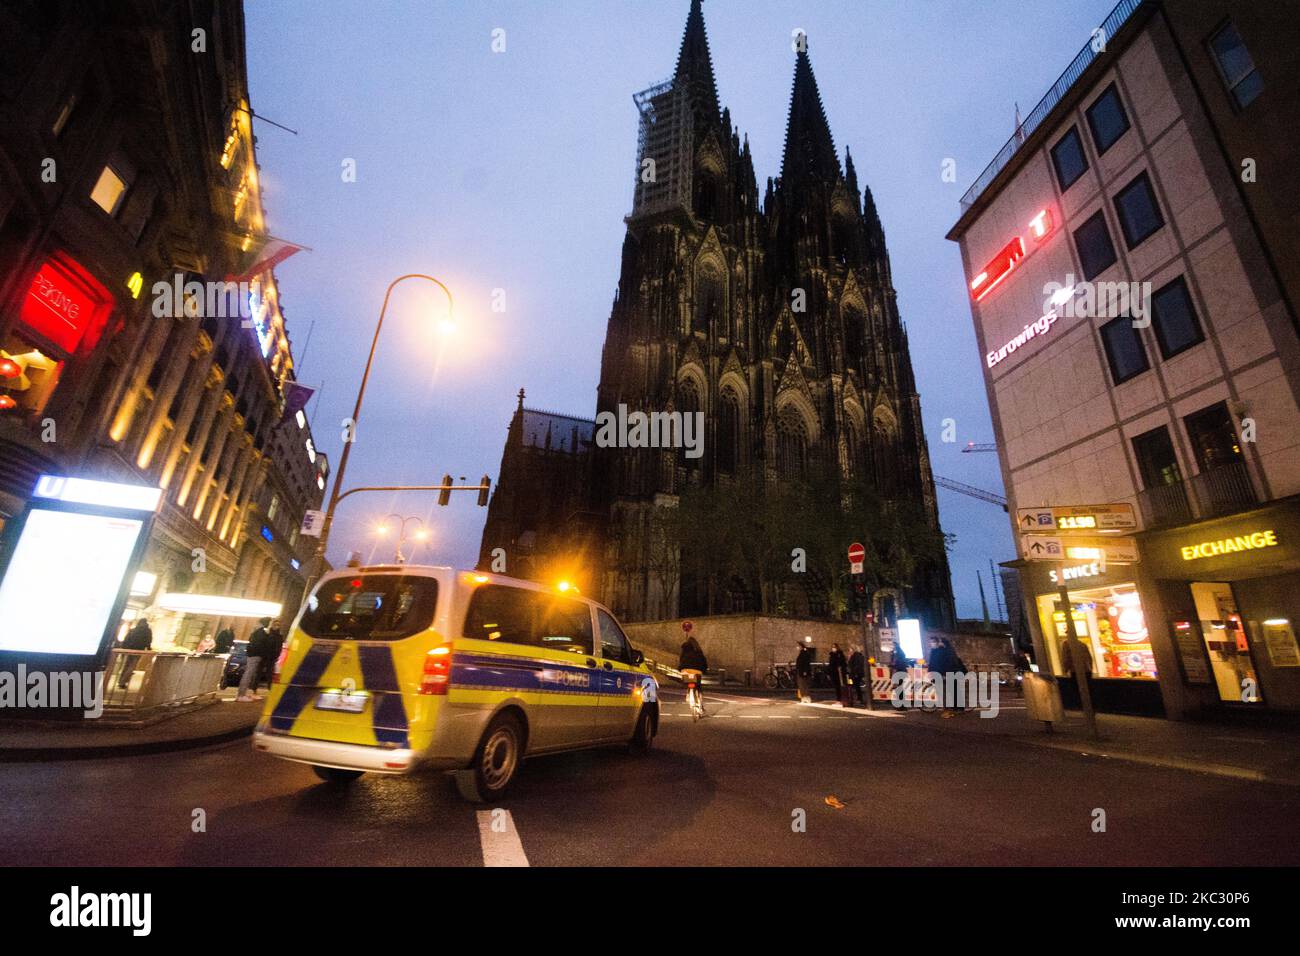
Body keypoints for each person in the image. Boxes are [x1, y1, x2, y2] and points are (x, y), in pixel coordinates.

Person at [238, 617, 273, 702]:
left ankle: (242, 694)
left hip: (253, 654)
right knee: (248, 674)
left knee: (249, 674)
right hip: (255, 655)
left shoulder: (256, 632)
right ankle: (241, 695)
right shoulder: (261, 633)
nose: (271, 624)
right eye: (270, 622)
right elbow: (260, 645)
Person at [117, 617, 153, 689]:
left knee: (126, 665)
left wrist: (123, 649)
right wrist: (148, 648)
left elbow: (126, 639)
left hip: (129, 650)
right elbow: (149, 640)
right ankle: (123, 682)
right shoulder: (148, 631)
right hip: (138, 650)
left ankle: (121, 681)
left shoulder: (133, 630)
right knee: (132, 666)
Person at [678, 634, 708, 713]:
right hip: (696, 671)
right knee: (698, 688)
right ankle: (700, 707)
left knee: (688, 682)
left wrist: (680, 669)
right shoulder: (698, 650)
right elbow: (704, 662)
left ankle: (688, 694)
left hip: (685, 671)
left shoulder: (684, 649)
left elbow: (681, 660)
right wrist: (704, 670)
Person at [261, 620, 286, 690]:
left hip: (273, 657)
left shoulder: (280, 636)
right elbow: (264, 644)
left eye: (278, 625)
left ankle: (270, 687)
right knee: (260, 672)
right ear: (272, 625)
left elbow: (279, 646)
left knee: (270, 672)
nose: (277, 626)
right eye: (276, 624)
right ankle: (254, 689)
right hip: (265, 655)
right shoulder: (268, 633)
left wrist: (277, 655)